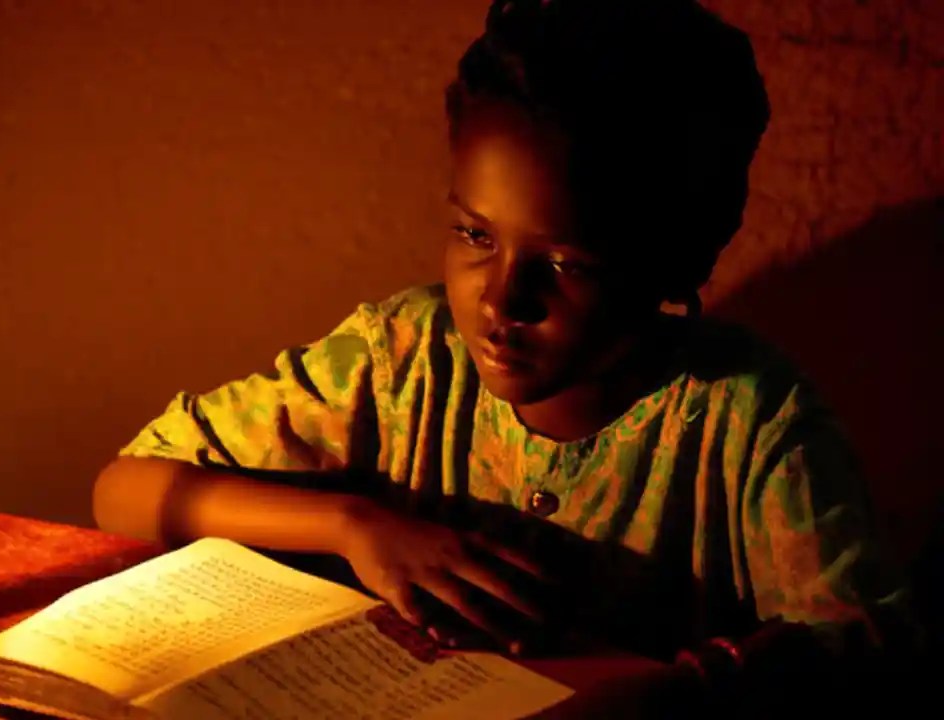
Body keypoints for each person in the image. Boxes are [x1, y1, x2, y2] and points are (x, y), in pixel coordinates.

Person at [92, 0, 920, 716]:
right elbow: (126, 488)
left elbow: (871, 648)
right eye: (474, 235)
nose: (499, 299)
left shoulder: (748, 421)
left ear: (678, 263)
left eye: (566, 263)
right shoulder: (405, 358)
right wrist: (357, 526)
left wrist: (682, 693)